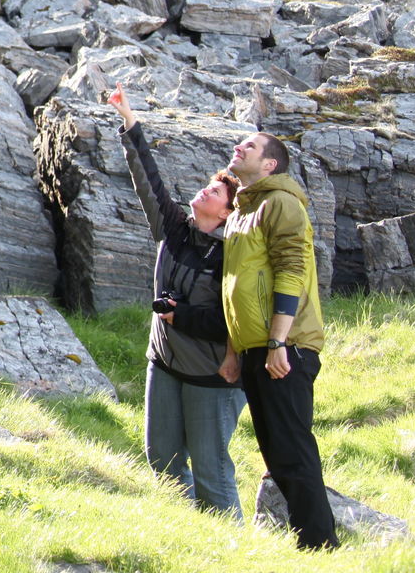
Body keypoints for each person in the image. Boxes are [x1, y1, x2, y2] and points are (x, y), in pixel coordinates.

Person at [107, 85, 245, 516]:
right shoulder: (175, 228)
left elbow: (234, 321)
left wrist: (179, 317)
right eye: (206, 187)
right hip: (164, 365)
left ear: (227, 213)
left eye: (214, 193)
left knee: (211, 472)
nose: (204, 192)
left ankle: (232, 544)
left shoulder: (234, 254)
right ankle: (188, 534)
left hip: (211, 376)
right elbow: (148, 182)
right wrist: (129, 121)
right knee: (162, 462)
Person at [219, 127, 338, 550]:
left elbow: (292, 270)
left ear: (269, 164)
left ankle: (321, 545)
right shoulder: (241, 212)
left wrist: (278, 343)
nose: (239, 147)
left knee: (292, 450)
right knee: (276, 453)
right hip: (256, 349)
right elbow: (233, 288)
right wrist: (233, 351)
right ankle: (310, 541)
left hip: (286, 349)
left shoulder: (281, 203)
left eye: (250, 145)